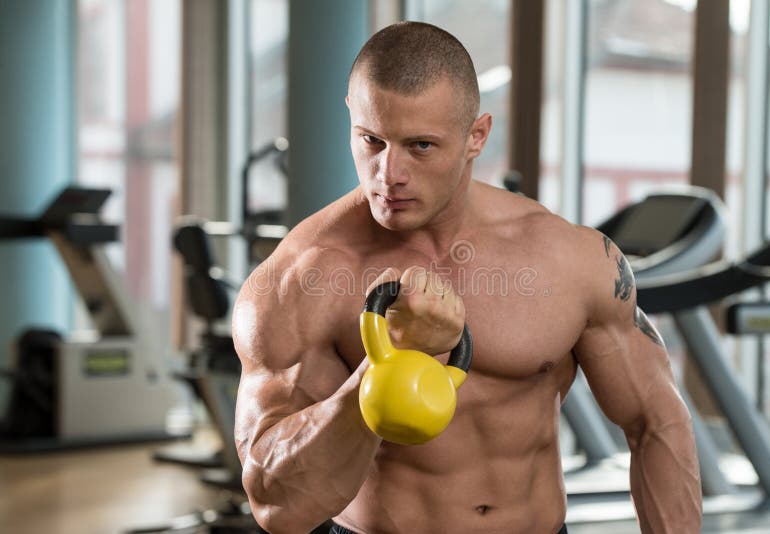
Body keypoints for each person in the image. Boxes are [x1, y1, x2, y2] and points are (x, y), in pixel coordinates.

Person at [232, 21, 702, 534]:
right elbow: (278, 505)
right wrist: (387, 365)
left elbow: (657, 422)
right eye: (372, 140)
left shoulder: (569, 257)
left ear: (476, 136)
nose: (389, 174)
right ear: (351, 114)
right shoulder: (302, 277)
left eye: (420, 146)